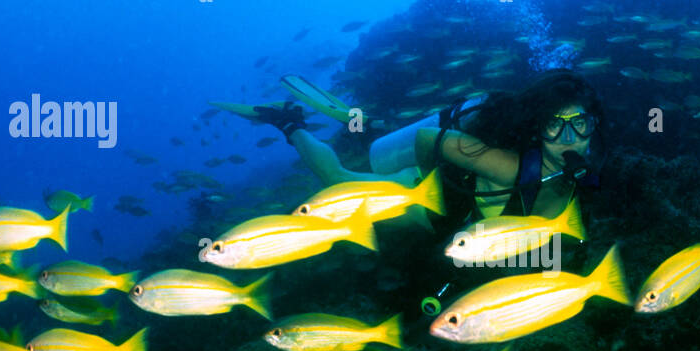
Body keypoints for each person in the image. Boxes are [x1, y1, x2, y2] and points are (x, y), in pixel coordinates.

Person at [256, 69, 605, 233]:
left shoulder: (585, 174)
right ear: (539, 127)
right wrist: (433, 196)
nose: (569, 138)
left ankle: (368, 127)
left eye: (581, 124)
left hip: (461, 212)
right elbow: (425, 139)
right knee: (336, 183)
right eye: (555, 125)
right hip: (423, 197)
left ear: (595, 126)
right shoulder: (509, 168)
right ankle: (291, 123)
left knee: (375, 148)